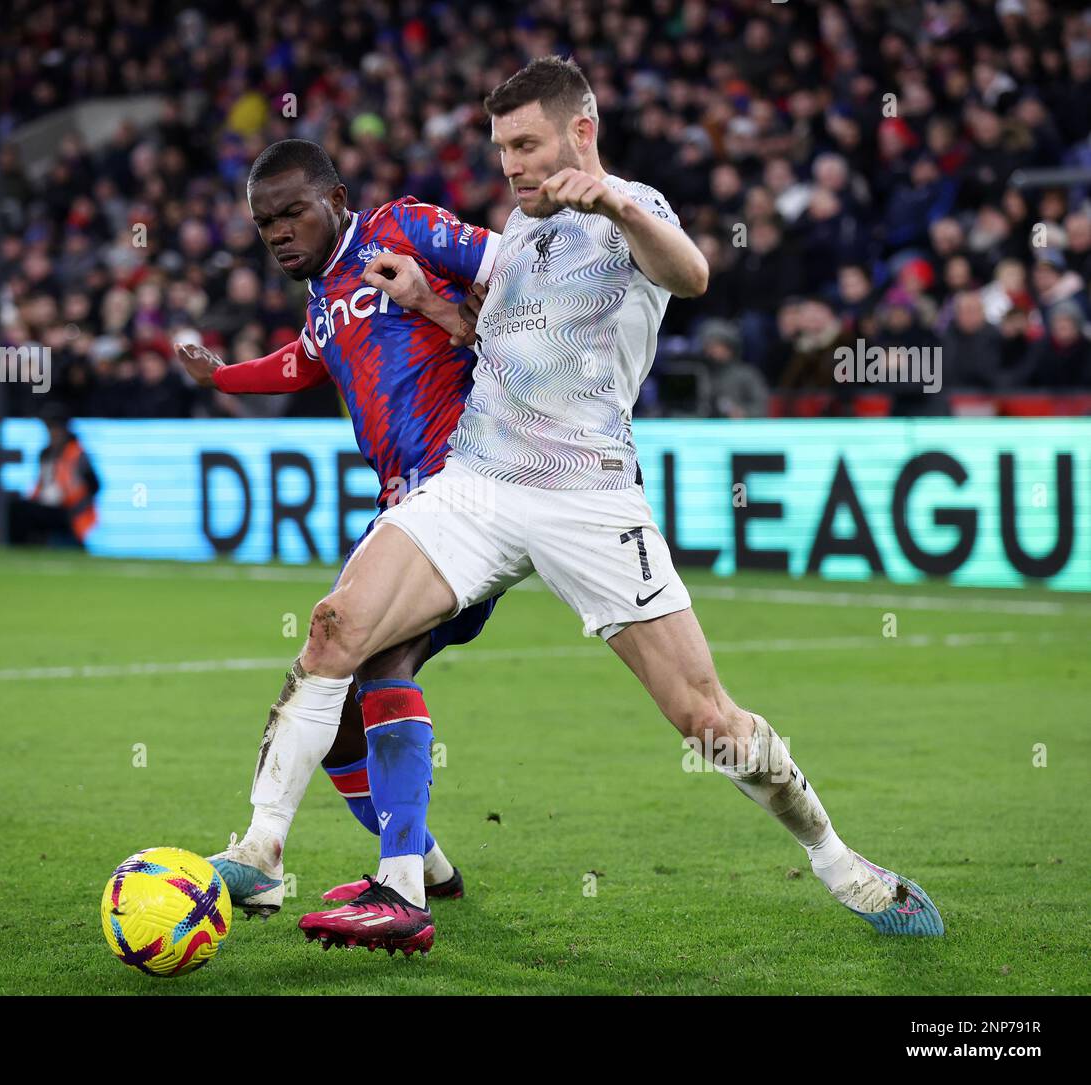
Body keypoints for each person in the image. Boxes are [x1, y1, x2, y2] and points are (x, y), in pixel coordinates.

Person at [283, 56, 942, 955]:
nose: (510, 164)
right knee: (337, 630)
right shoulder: (516, 230)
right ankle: (361, 874)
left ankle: (836, 858)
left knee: (706, 722)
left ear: (579, 132)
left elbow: (695, 274)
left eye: (525, 143)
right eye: (500, 146)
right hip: (476, 483)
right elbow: (492, 340)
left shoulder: (635, 210)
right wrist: (429, 302)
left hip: (587, 498)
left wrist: (615, 204)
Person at [174, 138, 502, 919]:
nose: (280, 232)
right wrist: (223, 376)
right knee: (349, 695)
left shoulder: (402, 227)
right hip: (407, 509)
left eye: (293, 212)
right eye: (265, 224)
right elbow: (304, 361)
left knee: (364, 651)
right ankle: (425, 867)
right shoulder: (324, 296)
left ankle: (365, 878)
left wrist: (464, 313)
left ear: (337, 198)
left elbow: (509, 266)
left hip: (466, 496)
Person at [7, 406, 100, 547]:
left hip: (68, 509)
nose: (52, 434)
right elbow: (42, 485)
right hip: (47, 506)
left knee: (25, 512)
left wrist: (77, 508)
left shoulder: (77, 453)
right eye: (50, 429)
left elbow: (94, 485)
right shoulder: (45, 454)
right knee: (17, 508)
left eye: (55, 429)